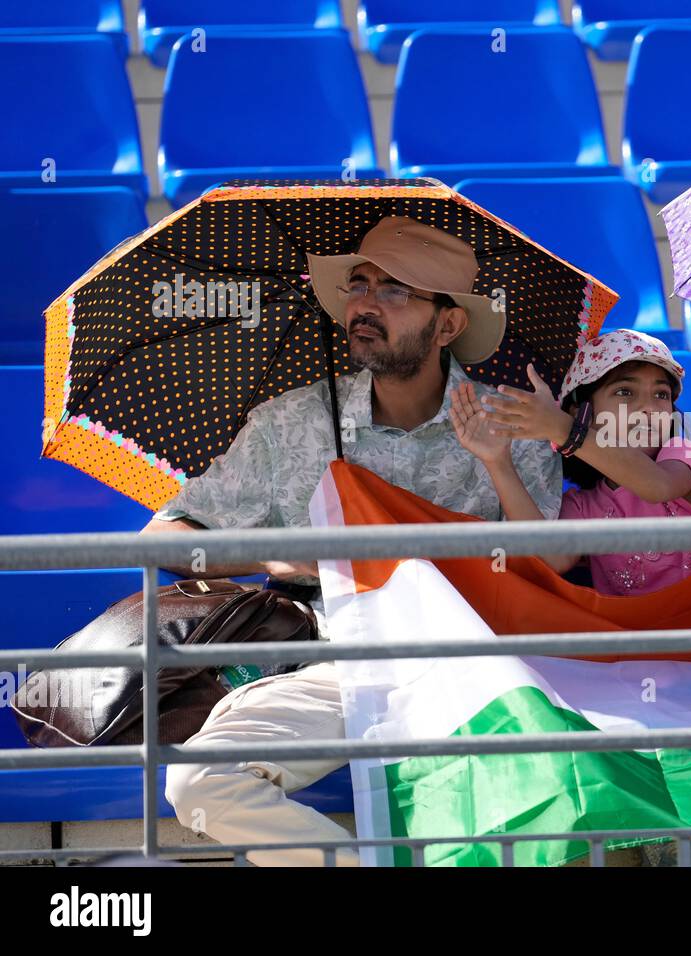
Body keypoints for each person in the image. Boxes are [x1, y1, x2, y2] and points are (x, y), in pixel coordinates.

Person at [146, 216, 562, 866]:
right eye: (359, 285)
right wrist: (274, 555)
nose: (364, 304)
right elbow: (163, 540)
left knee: (550, 796)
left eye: (394, 290)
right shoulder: (293, 423)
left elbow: (552, 566)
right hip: (338, 664)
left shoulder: (512, 423)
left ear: (448, 325)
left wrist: (498, 464)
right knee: (200, 781)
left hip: (480, 663)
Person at [450, 328, 691, 596]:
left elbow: (657, 486)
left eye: (662, 394)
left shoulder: (686, 454)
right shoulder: (583, 506)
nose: (650, 407)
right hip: (632, 638)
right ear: (581, 412)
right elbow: (553, 558)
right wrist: (498, 462)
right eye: (624, 392)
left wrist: (563, 429)